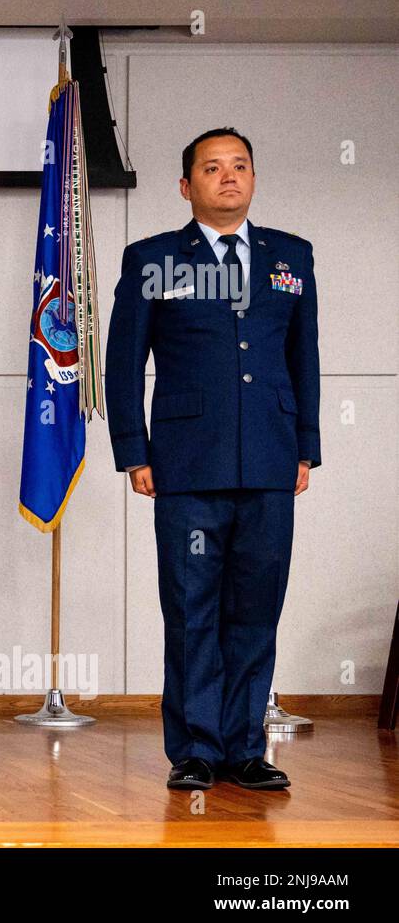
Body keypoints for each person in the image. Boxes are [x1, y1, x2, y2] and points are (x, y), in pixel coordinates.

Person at [105, 127, 320, 791]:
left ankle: (245, 747)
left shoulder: (292, 256)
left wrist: (306, 445)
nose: (228, 177)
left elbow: (302, 355)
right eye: (212, 168)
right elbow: (121, 363)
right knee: (193, 607)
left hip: (269, 461)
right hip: (185, 464)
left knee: (256, 608)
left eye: (240, 166)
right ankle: (196, 748)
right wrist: (133, 451)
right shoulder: (153, 258)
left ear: (253, 179)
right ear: (185, 186)